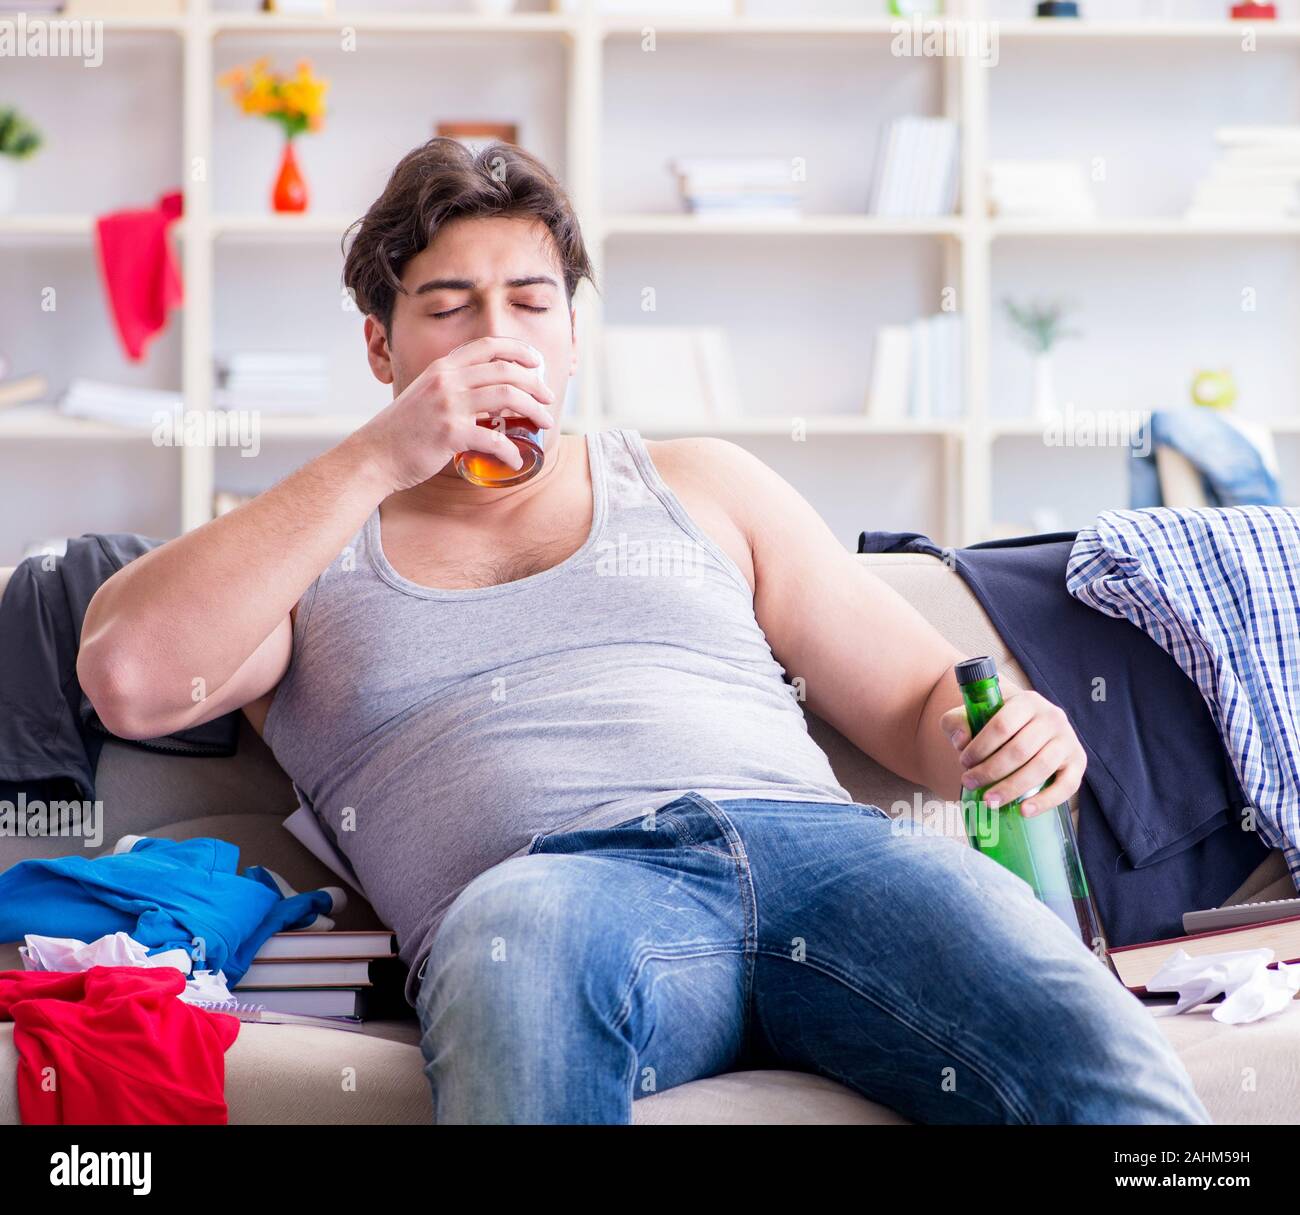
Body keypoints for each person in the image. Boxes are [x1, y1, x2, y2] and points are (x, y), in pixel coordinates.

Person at [77, 138, 1211, 1126]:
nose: (496, 337)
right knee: (513, 949)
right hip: (554, 892)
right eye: (446, 308)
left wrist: (1007, 732)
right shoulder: (311, 541)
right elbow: (129, 677)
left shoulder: (701, 482)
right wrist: (379, 455)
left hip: (835, 868)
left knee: (1099, 1050)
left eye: (529, 301)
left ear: (572, 330)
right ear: (381, 349)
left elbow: (920, 704)